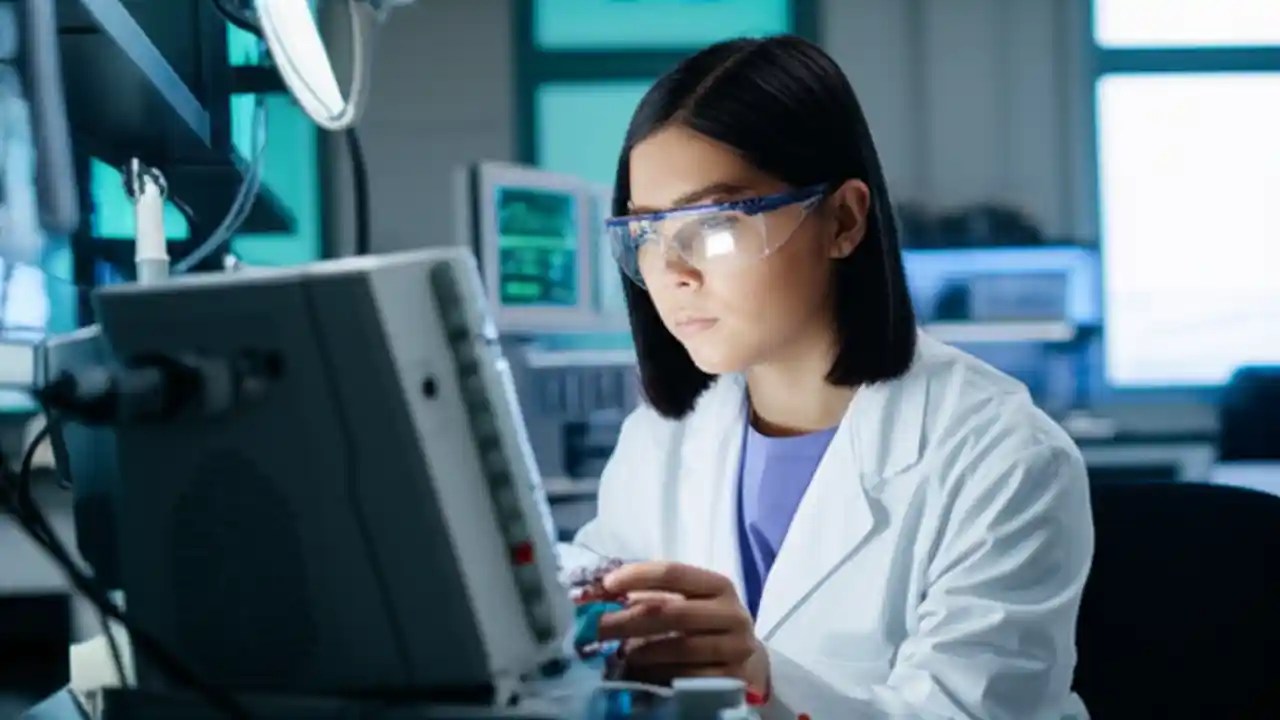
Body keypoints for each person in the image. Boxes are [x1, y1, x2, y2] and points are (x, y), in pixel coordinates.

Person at [569, 35, 1094, 720]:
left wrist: (762, 682)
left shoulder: (1005, 457)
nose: (675, 272)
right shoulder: (661, 440)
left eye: (718, 225)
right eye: (647, 233)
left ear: (842, 221)